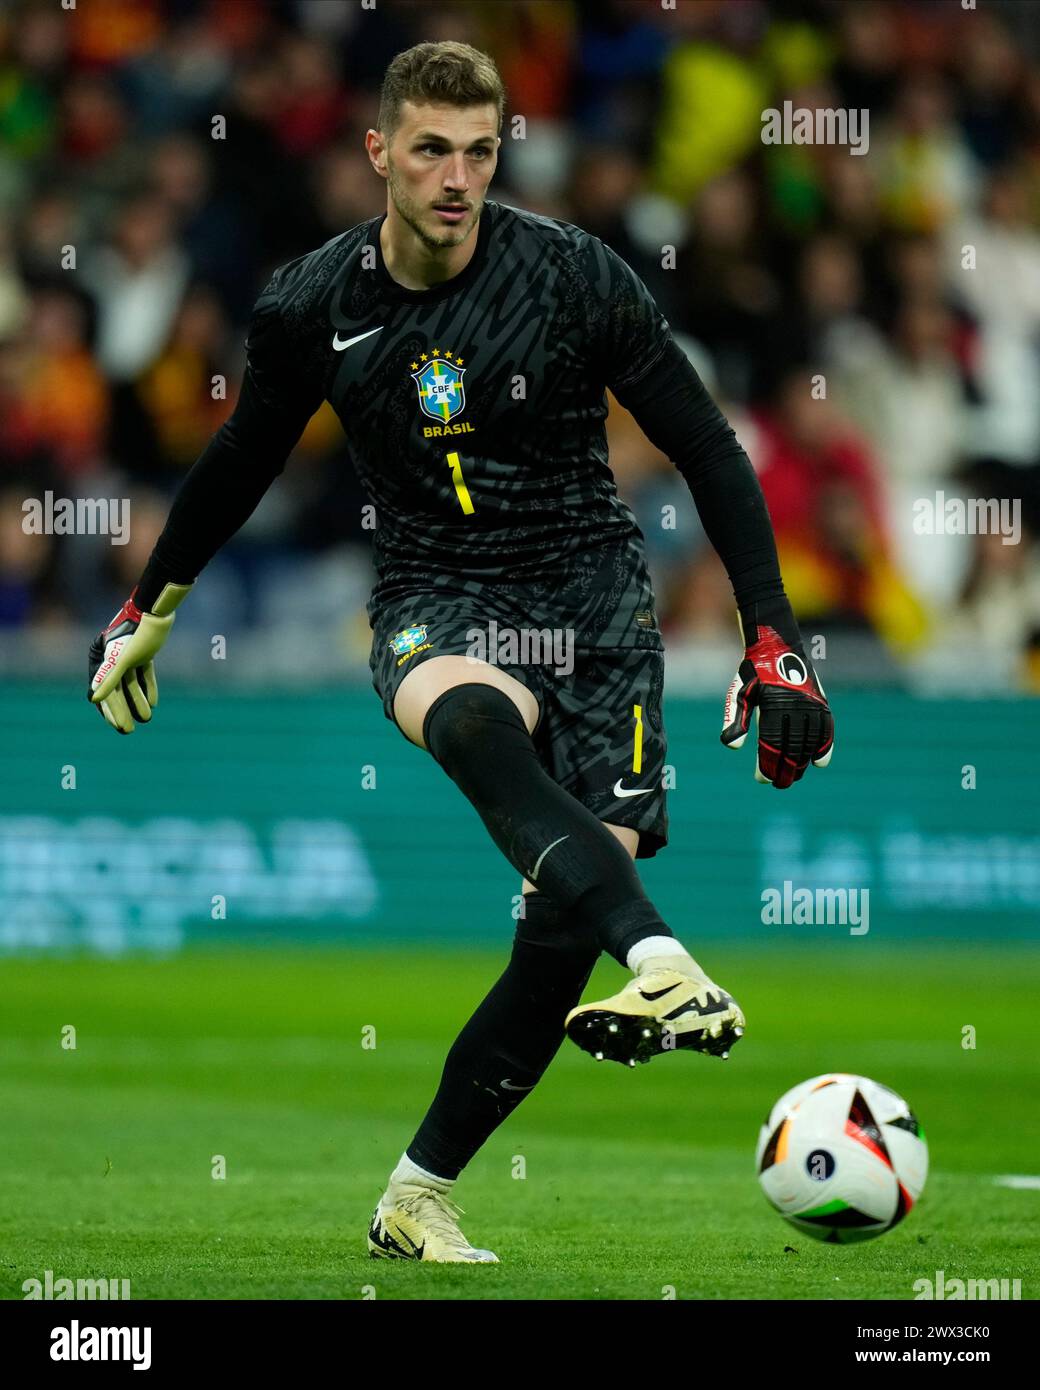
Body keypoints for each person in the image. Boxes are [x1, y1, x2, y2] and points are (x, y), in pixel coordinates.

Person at [87, 41, 833, 1264]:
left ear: (499, 152)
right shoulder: (311, 302)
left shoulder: (571, 276)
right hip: (435, 595)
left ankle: (415, 1195)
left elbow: (705, 441)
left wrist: (773, 635)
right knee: (477, 733)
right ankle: (659, 960)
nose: (455, 177)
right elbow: (242, 457)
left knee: (558, 923)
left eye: (478, 151)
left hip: (594, 606)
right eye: (429, 149)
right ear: (378, 151)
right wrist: (149, 605)